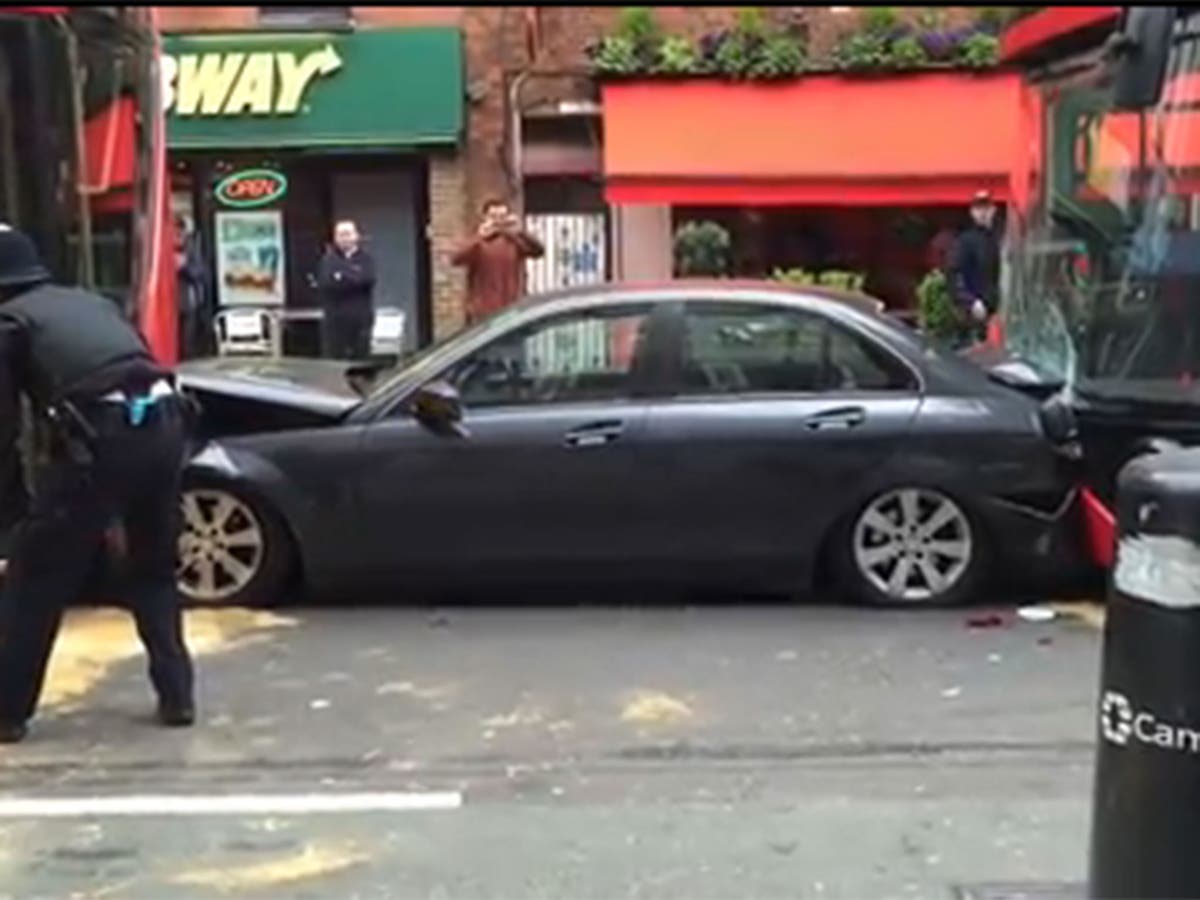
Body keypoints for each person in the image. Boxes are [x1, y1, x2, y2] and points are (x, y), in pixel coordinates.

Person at [0, 224, 195, 743]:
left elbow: (2, 427)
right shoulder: (87, 302)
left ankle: (7, 712)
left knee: (35, 576)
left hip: (102, 438)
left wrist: (11, 510)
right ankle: (177, 696)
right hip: (168, 421)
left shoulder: (9, 321)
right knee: (152, 567)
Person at [452, 198, 544, 324]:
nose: (498, 221)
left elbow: (538, 251)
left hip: (511, 309)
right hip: (483, 312)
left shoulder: (514, 241)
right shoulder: (478, 242)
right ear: (485, 218)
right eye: (493, 216)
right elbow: (456, 258)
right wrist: (479, 237)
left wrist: (521, 232)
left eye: (502, 216)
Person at [316, 220, 376, 360]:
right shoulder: (328, 260)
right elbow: (326, 283)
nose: (344, 238)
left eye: (347, 234)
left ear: (356, 236)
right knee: (334, 359)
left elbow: (367, 280)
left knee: (361, 359)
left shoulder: (366, 259)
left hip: (360, 319)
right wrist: (352, 274)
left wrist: (342, 275)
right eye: (340, 235)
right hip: (335, 320)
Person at [948, 190, 1001, 345]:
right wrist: (970, 302)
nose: (983, 213)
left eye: (986, 208)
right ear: (972, 213)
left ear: (993, 210)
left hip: (995, 316)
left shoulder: (997, 239)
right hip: (974, 316)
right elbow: (953, 273)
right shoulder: (966, 241)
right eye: (979, 209)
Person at [175, 216, 209, 361]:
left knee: (187, 341)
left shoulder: (192, 249)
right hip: (169, 303)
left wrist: (184, 267)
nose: (177, 237)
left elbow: (202, 273)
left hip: (187, 303)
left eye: (179, 233)